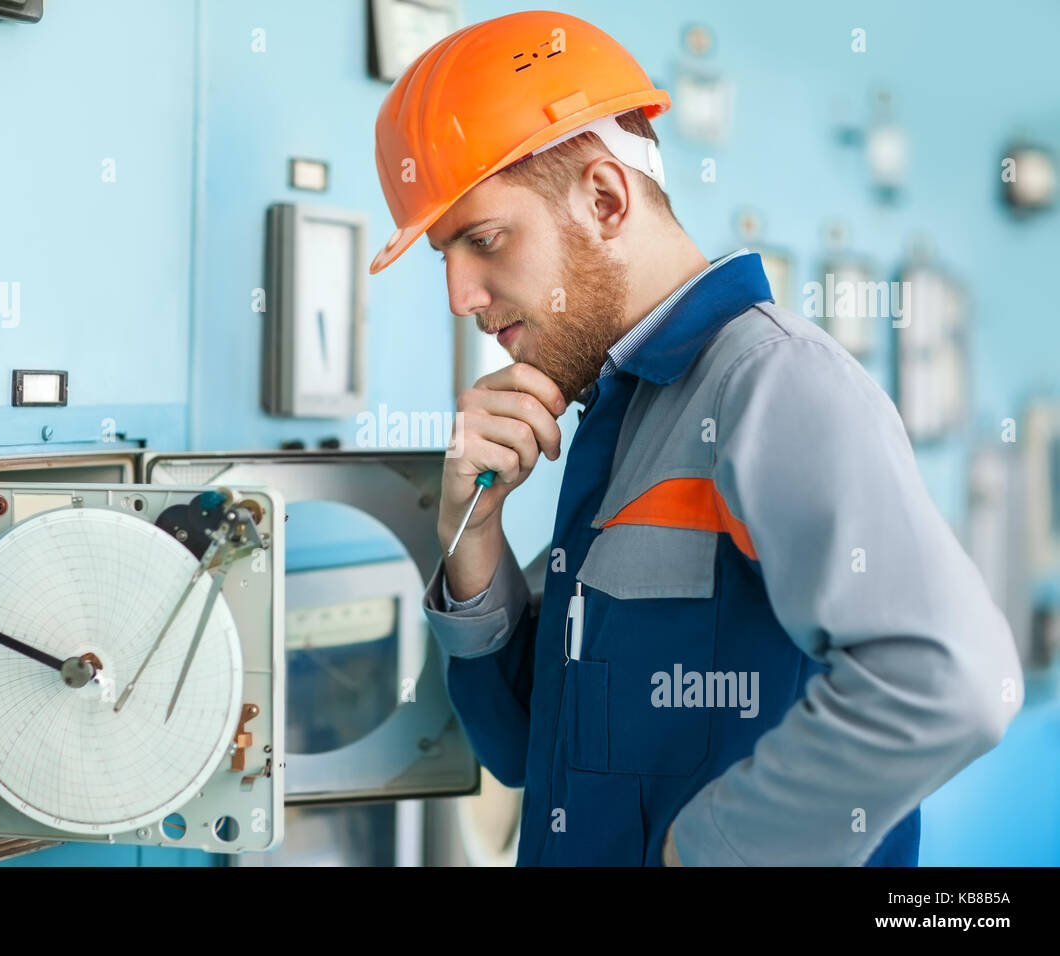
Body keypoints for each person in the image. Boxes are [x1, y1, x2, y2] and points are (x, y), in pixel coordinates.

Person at [368, 10, 1023, 866]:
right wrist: (474, 540)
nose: (460, 294)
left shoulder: (772, 384)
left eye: (483, 240)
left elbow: (952, 682)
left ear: (605, 199)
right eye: (444, 256)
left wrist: (708, 851)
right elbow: (520, 742)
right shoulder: (623, 412)